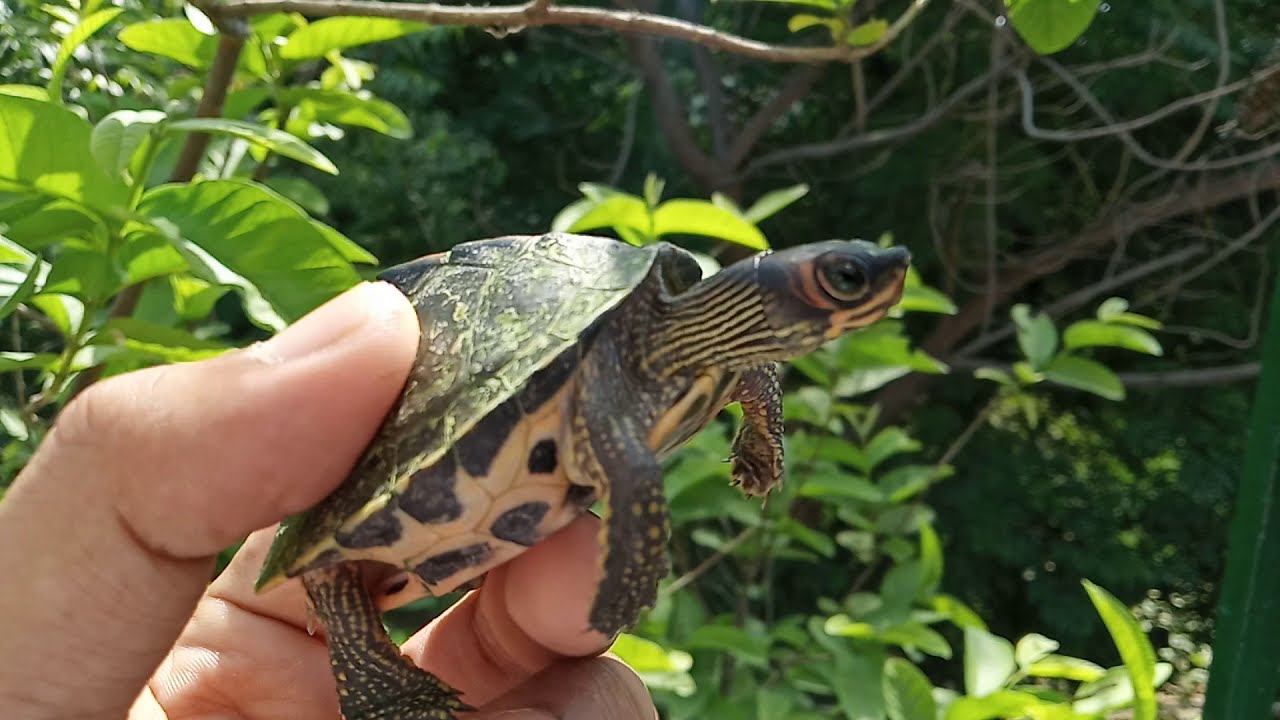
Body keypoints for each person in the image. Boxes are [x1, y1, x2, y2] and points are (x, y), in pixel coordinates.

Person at [0, 282, 657, 720]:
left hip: (517, 466)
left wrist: (759, 438)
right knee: (333, 573)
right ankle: (379, 683)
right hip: (437, 455)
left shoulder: (672, 349)